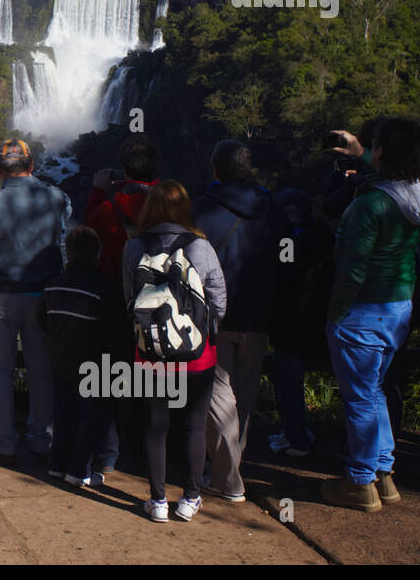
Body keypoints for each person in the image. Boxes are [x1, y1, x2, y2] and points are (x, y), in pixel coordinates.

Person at [320, 118, 420, 512]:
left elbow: (352, 270)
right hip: (399, 308)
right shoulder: (417, 194)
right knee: (375, 391)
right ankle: (384, 474)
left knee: (360, 401)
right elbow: (395, 170)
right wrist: (359, 150)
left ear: (383, 153)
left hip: (363, 312)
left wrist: (336, 316)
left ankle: (361, 482)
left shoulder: (370, 205)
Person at [122, 181, 227, 523]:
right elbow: (218, 298)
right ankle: (191, 498)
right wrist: (204, 331)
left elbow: (129, 300)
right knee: (194, 426)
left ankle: (158, 502)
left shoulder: (134, 246)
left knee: (155, 426)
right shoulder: (201, 247)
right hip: (197, 354)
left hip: (150, 353)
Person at [0, 139, 71, 463]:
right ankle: (42, 440)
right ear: (32, 164)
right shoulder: (54, 197)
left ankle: (3, 443)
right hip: (43, 296)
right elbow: (65, 223)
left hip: (0, 295)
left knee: (0, 372)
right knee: (41, 371)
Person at [191, 140, 280, 504]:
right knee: (243, 395)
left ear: (215, 170)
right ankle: (231, 467)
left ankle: (228, 478)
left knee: (216, 393)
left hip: (215, 318)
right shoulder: (270, 208)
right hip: (258, 314)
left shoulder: (199, 211)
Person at [83, 136, 159, 473]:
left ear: (123, 170)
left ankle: (109, 454)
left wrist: (100, 190)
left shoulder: (108, 206)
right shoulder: (166, 203)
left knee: (112, 373)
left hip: (115, 297)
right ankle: (150, 450)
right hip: (157, 299)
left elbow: (87, 232)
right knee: (153, 371)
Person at [44, 226, 127, 487]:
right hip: (93, 363)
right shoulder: (102, 288)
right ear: (97, 254)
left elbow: (41, 320)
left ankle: (57, 464)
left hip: (59, 360)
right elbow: (113, 331)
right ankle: (79, 469)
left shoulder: (52, 286)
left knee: (64, 416)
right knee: (94, 419)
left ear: (67, 253)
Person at [266, 188, 333, 456]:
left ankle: (295, 436)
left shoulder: (286, 242)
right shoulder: (324, 236)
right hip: (320, 319)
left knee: (288, 381)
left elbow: (283, 275)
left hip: (290, 322)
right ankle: (295, 433)